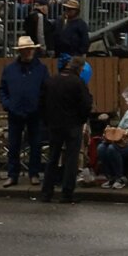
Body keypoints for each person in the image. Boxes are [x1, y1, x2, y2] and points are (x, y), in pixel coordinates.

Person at [37, 56, 92, 203]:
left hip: (54, 124)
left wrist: (47, 120)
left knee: (52, 158)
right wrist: (81, 119)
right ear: (80, 68)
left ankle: (46, 192)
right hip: (73, 125)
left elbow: (41, 103)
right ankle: (67, 193)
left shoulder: (51, 81)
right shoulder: (78, 82)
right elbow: (86, 105)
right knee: (71, 159)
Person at [0, 36, 50, 187]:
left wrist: (39, 106)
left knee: (36, 144)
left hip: (35, 113)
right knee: (14, 145)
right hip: (15, 112)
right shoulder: (9, 69)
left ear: (33, 50)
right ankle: (12, 174)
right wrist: (8, 104)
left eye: (29, 49)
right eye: (24, 50)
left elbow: (46, 90)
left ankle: (34, 174)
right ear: (20, 51)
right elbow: (2, 90)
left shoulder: (41, 69)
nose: (27, 52)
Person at [53, 0, 88, 67]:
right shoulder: (60, 21)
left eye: (71, 9)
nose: (68, 11)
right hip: (59, 54)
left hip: (74, 55)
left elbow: (85, 41)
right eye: (67, 9)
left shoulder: (81, 24)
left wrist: (80, 53)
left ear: (76, 11)